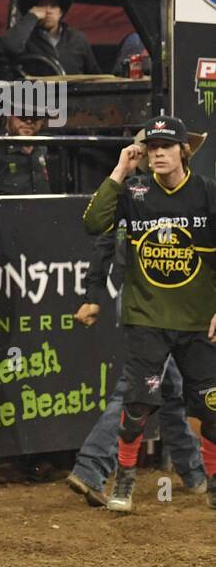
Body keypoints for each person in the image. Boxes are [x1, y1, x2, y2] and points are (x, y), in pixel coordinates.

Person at [82, 115, 216, 512]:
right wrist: (121, 169)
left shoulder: (207, 194)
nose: (157, 153)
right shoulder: (134, 190)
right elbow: (94, 223)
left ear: (183, 151)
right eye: (152, 147)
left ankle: (210, 482)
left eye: (166, 146)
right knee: (138, 404)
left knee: (210, 408)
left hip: (198, 321)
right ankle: (122, 482)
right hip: (147, 318)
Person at [67, 224, 207, 506]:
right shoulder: (151, 196)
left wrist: (92, 296)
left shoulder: (131, 195)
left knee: (169, 386)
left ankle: (194, 472)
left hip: (145, 299)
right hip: (156, 306)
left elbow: (103, 244)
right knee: (135, 390)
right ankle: (90, 467)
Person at [0, 0, 101, 75]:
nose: (48, 11)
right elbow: (9, 46)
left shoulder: (77, 39)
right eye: (42, 6)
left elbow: (94, 74)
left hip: (73, 97)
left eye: (53, 6)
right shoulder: (26, 39)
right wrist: (31, 17)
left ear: (61, 12)